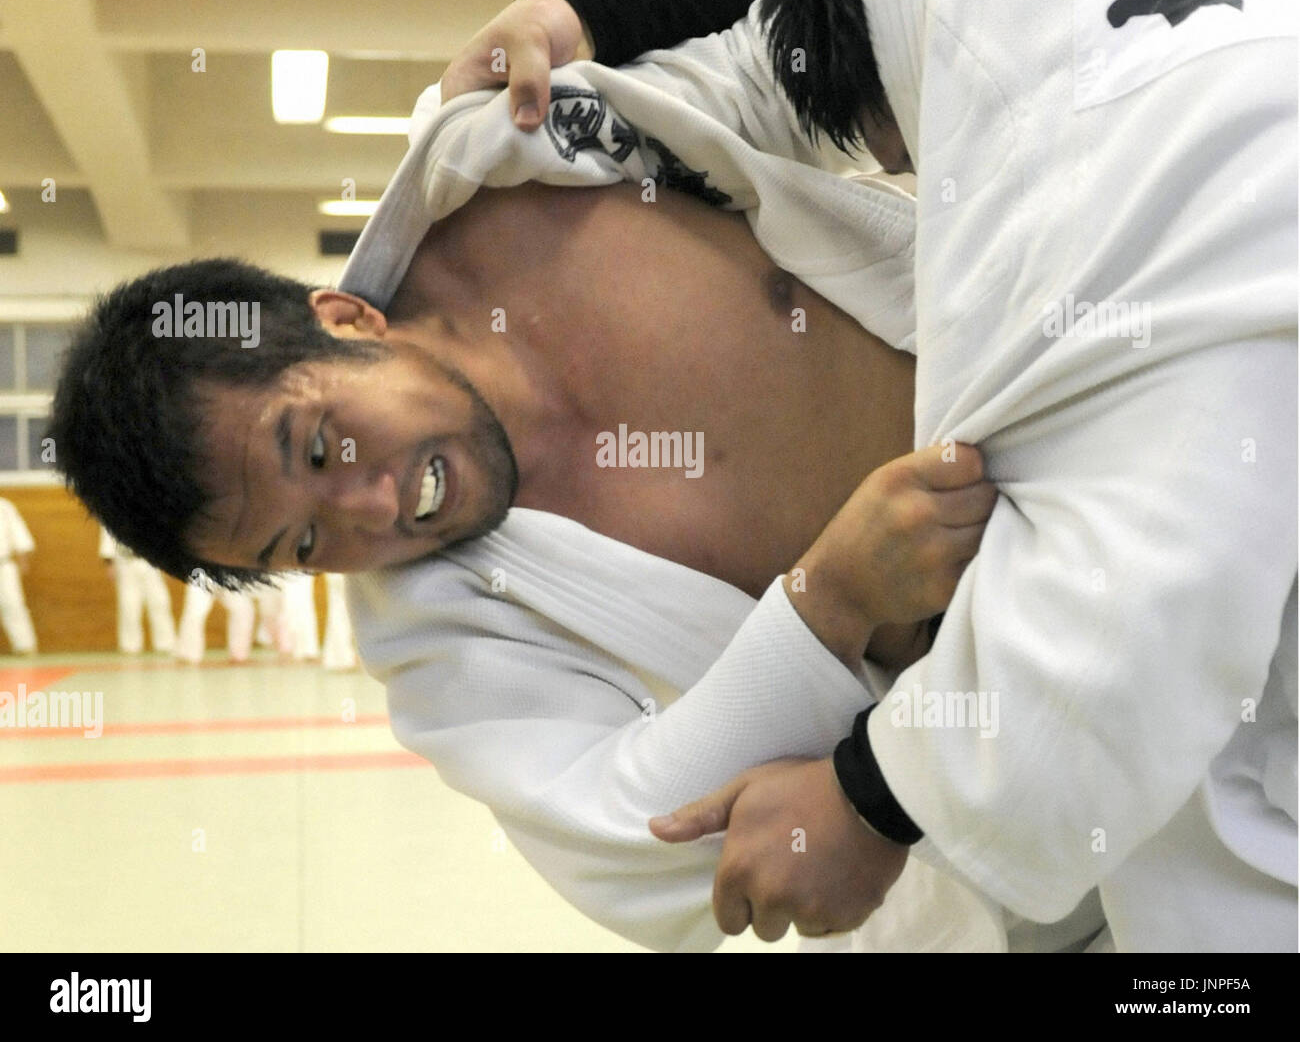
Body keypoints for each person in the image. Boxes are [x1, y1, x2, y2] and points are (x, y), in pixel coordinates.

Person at [48, 47, 1008, 950]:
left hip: (1076, 381)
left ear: (344, 320)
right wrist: (828, 606)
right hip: (1004, 726)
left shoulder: (518, 157)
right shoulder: (434, 637)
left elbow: (777, 36)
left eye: (320, 444)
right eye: (302, 544)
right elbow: (634, 849)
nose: (370, 509)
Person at [437, 0, 1299, 950]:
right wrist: (582, 3)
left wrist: (869, 797)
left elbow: (1132, 600)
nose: (901, 165)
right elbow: (755, 59)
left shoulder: (1074, 191)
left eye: (882, 143)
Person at [99, 526, 177, 655]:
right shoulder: (113, 508)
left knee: (159, 602)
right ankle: (130, 645)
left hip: (151, 562)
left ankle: (166, 643)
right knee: (129, 605)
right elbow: (107, 534)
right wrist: (109, 562)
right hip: (125, 562)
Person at [0, 496, 37, 655]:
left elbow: (18, 533)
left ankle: (25, 646)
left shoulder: (4, 507)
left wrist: (23, 560)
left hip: (4, 563)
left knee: (14, 603)